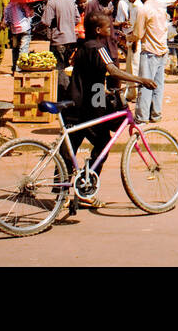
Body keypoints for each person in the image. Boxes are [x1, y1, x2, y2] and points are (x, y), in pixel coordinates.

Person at [64, 13, 157, 209]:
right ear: (99, 30)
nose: (111, 30)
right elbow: (113, 71)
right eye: (108, 27)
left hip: (76, 102)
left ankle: (63, 193)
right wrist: (142, 80)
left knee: (70, 148)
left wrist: (104, 88)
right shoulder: (99, 48)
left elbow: (89, 75)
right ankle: (86, 190)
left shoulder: (83, 47)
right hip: (90, 106)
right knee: (103, 143)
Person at [131, 0, 171, 123]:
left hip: (149, 51)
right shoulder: (161, 7)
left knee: (146, 85)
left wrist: (128, 38)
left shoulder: (144, 9)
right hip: (163, 50)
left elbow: (138, 34)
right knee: (158, 85)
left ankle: (142, 117)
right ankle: (156, 114)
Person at [41, 0, 80, 74]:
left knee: (59, 69)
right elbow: (77, 19)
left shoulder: (51, 3)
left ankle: (61, 88)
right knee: (68, 68)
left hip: (58, 39)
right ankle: (68, 88)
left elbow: (45, 22)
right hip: (71, 39)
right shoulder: (71, 1)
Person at [4, 0, 34, 67]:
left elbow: (6, 21)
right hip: (25, 28)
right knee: (23, 48)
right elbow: (29, 14)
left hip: (14, 30)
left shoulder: (8, 7)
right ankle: (20, 67)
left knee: (15, 49)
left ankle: (15, 67)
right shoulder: (22, 4)